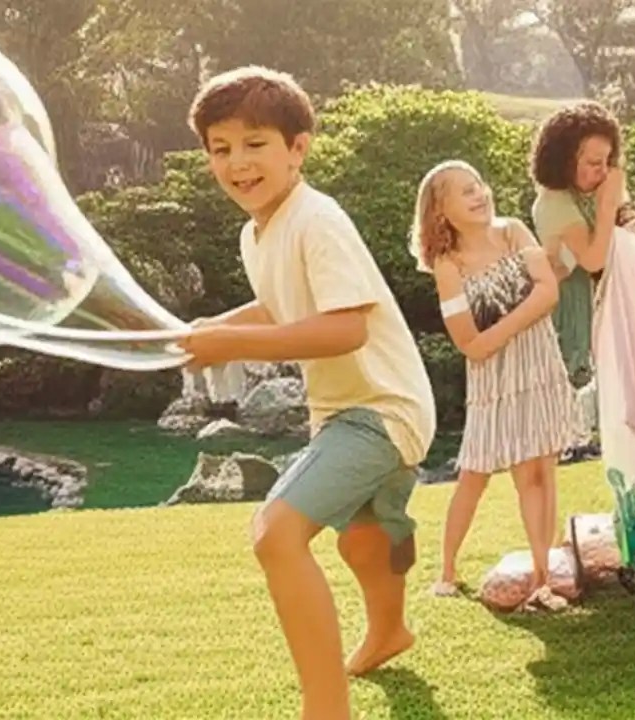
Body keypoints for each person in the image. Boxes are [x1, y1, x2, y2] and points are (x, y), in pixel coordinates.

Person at [177, 66, 436, 720]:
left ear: (298, 148)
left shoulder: (316, 219)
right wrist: (213, 328)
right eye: (220, 148)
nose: (237, 162)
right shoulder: (257, 232)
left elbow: (345, 328)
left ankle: (326, 709)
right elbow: (280, 306)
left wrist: (229, 345)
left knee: (276, 535)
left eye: (255, 143)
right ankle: (390, 631)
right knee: (365, 540)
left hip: (379, 408)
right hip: (354, 408)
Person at [411, 160, 580, 610]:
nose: (480, 194)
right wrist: (517, 322)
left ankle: (542, 578)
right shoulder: (448, 265)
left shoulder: (513, 231)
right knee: (474, 476)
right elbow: (468, 343)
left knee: (540, 472)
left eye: (479, 185)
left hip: (540, 370)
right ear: (441, 209)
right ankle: (448, 569)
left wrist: (499, 333)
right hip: (495, 386)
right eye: (466, 191)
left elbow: (549, 291)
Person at [529, 101, 628, 389]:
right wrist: (608, 205)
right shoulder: (553, 202)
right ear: (565, 161)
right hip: (573, 324)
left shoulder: (596, 190)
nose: (603, 172)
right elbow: (593, 259)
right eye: (594, 163)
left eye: (608, 162)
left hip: (610, 313)